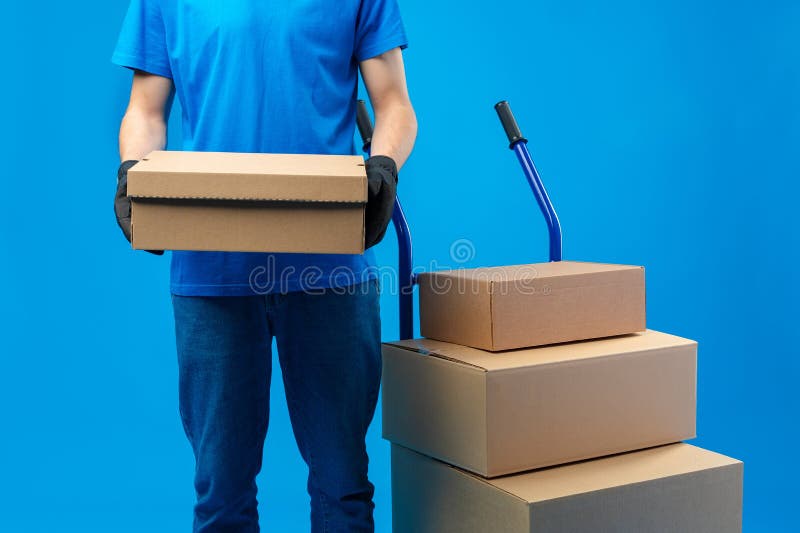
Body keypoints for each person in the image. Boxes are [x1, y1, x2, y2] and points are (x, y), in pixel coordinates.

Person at [110, 1, 417, 531]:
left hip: (330, 268)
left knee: (343, 487)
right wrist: (135, 173)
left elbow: (393, 103)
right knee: (220, 494)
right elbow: (145, 108)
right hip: (212, 271)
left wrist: (383, 165)